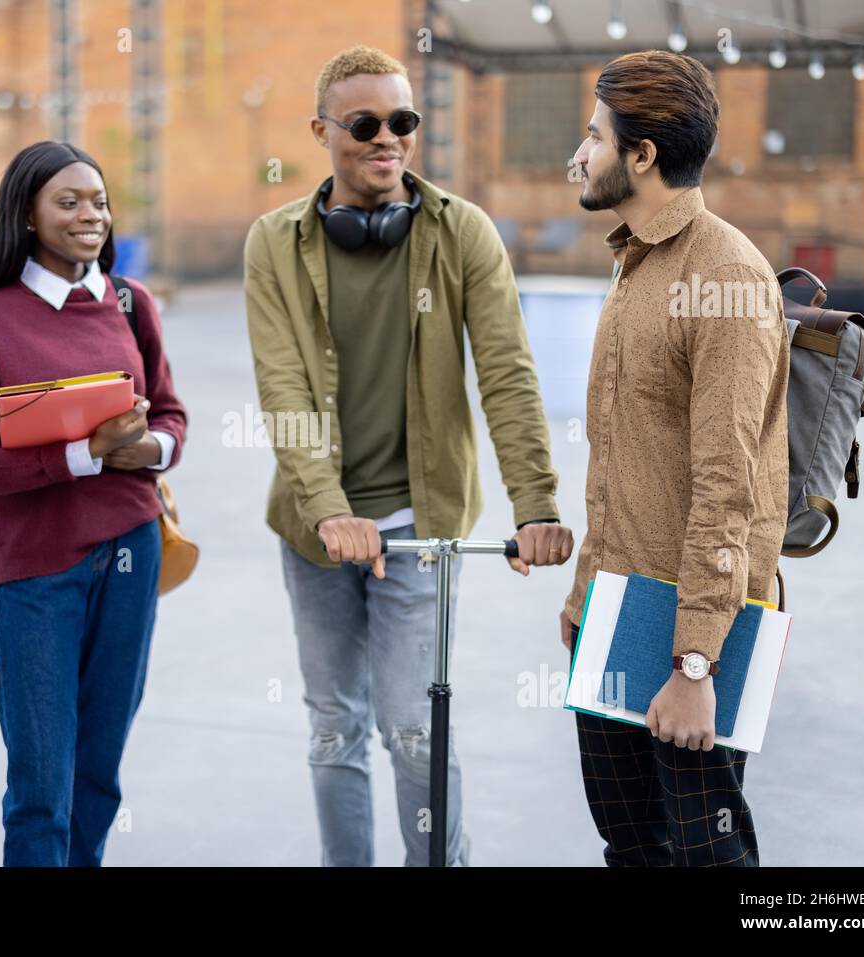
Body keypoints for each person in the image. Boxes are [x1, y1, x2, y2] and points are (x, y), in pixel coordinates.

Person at [244, 46, 574, 867]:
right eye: (364, 124)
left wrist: (534, 503)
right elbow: (282, 389)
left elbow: (506, 371)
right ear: (322, 132)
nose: (387, 137)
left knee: (412, 727)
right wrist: (327, 509)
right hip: (314, 532)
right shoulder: (273, 243)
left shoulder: (461, 232)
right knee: (333, 728)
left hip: (421, 526)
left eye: (403, 121)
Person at [564, 51, 789, 866]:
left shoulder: (725, 274)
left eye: (594, 137)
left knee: (707, 857)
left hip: (694, 634)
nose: (580, 154)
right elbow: (620, 457)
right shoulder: (636, 263)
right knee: (631, 847)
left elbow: (728, 484)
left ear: (642, 155)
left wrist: (695, 661)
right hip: (618, 615)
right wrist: (585, 593)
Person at [0, 142, 187, 867]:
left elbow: (172, 416)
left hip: (133, 551)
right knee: (41, 787)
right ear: (27, 213)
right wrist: (87, 454)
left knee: (97, 775)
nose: (91, 216)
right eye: (69, 201)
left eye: (100, 201)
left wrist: (147, 450)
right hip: (36, 573)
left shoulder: (129, 302)